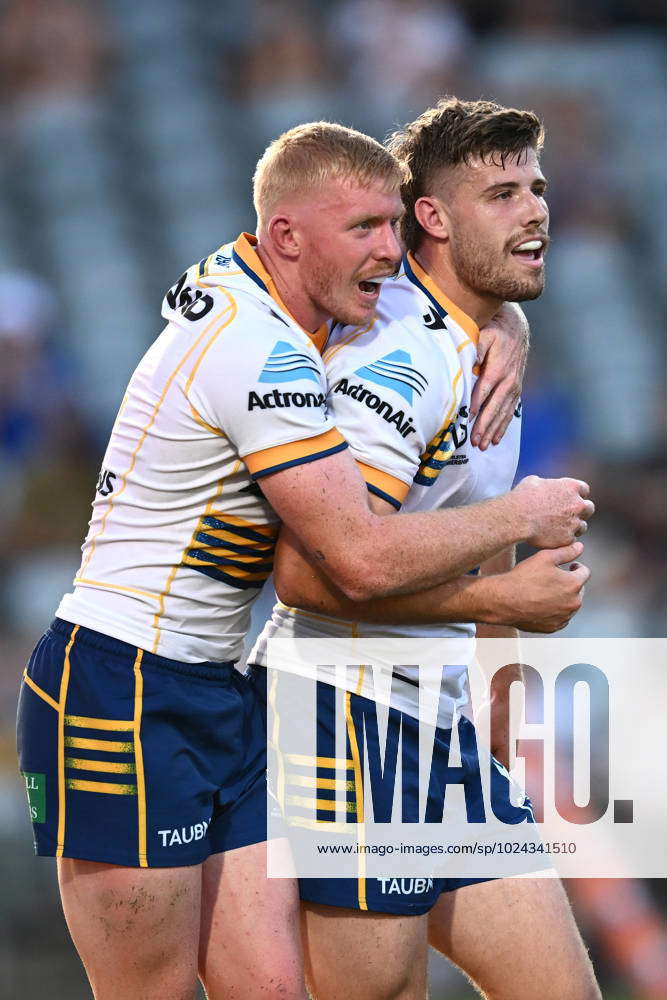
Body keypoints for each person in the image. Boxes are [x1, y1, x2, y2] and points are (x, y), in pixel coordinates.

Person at [16, 120, 591, 1000]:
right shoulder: (284, 350)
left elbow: (374, 276)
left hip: (230, 689)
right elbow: (333, 567)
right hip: (146, 680)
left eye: (389, 227)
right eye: (503, 194)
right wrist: (523, 530)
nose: (386, 250)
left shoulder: (342, 310)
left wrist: (502, 318)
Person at [248, 99, 601, 999]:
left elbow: (468, 547)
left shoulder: (486, 338)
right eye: (500, 194)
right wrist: (504, 597)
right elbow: (306, 574)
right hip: (343, 719)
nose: (533, 211)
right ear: (431, 219)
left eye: (535, 188)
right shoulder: (394, 366)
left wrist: (499, 708)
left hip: (440, 731)